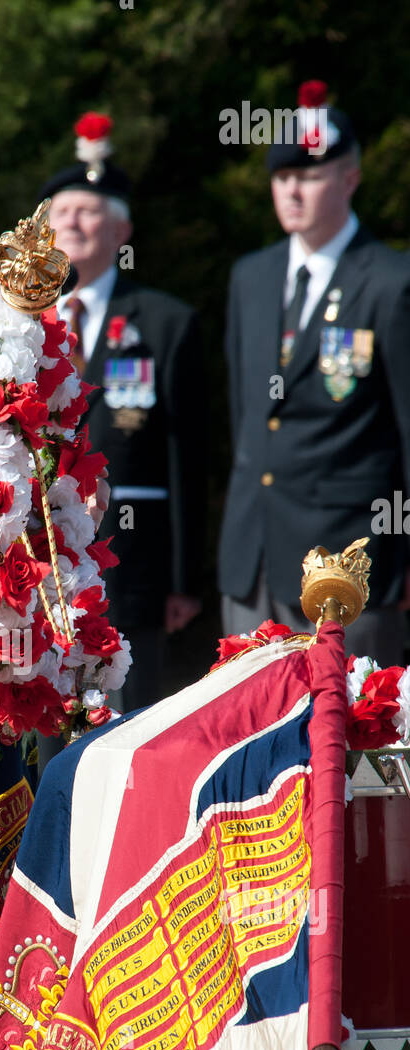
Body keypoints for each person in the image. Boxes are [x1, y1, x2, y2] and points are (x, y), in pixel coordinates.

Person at [218, 80, 410, 665]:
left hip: (350, 562)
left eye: (309, 176)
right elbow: (247, 417)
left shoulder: (391, 282)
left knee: (350, 746)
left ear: (349, 178)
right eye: (281, 177)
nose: (292, 190)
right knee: (250, 743)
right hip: (252, 561)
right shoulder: (251, 277)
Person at [42, 113, 207, 712]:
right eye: (61, 212)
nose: (73, 223)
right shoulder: (20, 324)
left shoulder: (166, 323)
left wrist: (185, 578)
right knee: (44, 714)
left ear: (121, 229)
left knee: (129, 714)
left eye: (89, 211)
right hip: (39, 553)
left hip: (133, 561)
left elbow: (187, 455)